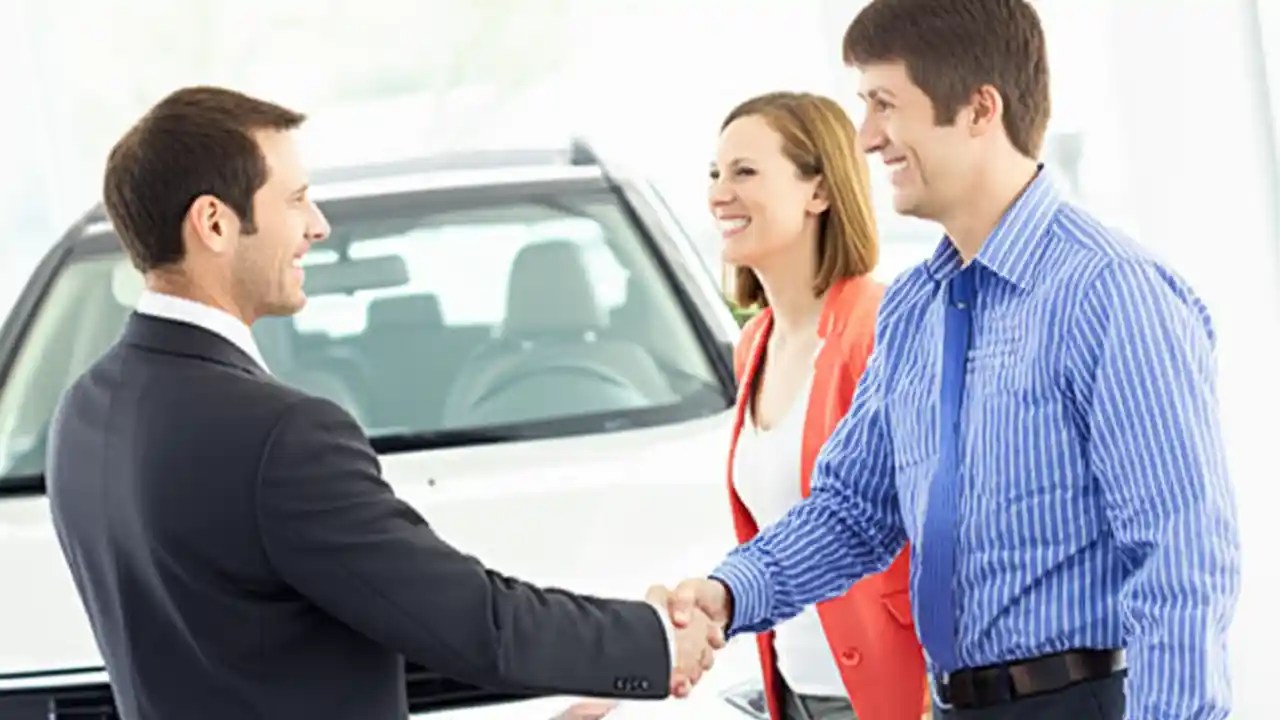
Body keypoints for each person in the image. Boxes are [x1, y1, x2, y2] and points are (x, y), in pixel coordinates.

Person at [44, 85, 723, 720]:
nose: (317, 225)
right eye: (296, 200)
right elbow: (467, 619)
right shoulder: (279, 436)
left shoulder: (80, 414)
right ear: (215, 223)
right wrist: (656, 642)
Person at [663, 2, 1241, 719]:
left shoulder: (1112, 295)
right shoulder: (915, 312)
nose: (867, 138)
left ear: (978, 109)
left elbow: (1180, 565)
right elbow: (851, 512)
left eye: (884, 104)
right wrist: (726, 594)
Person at [710, 91, 927, 720]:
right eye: (715, 173)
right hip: (792, 694)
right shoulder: (753, 344)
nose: (720, 193)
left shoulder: (881, 326)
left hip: (890, 697)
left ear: (819, 192)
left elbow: (905, 522)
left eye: (745, 172)